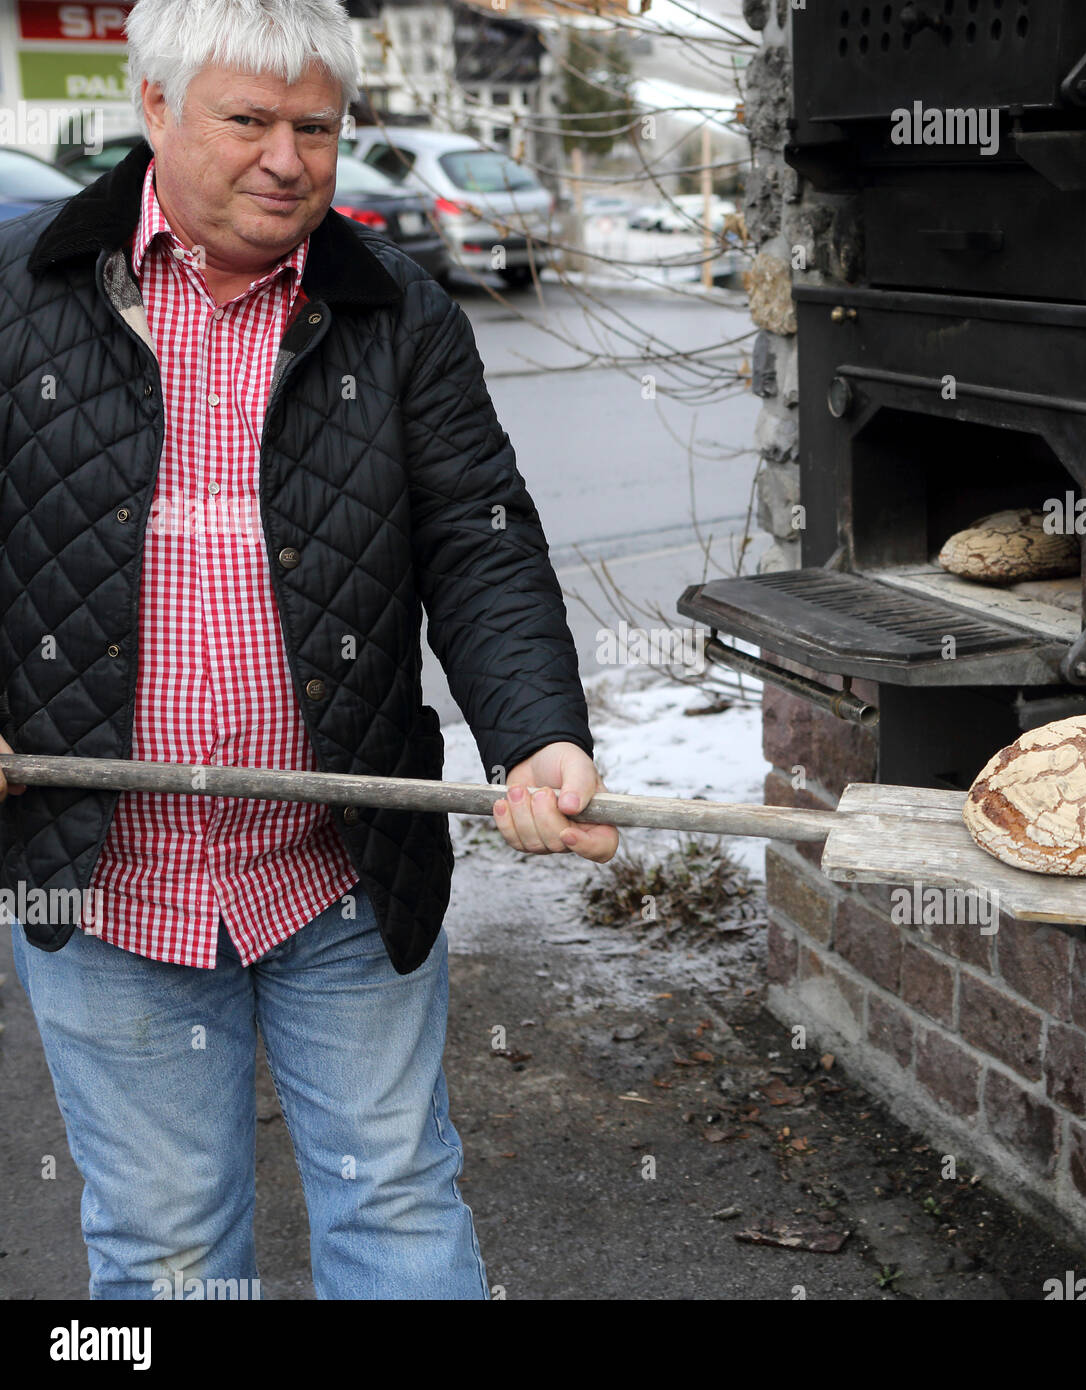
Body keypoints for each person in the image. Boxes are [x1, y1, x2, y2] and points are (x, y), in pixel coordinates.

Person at [0, 0, 617, 1300]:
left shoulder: (399, 313)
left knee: (395, 1208)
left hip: (341, 872)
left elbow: (478, 537)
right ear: (155, 108)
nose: (290, 158)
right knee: (167, 1253)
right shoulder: (21, 295)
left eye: (318, 127)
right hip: (101, 884)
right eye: (251, 120)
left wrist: (540, 735)